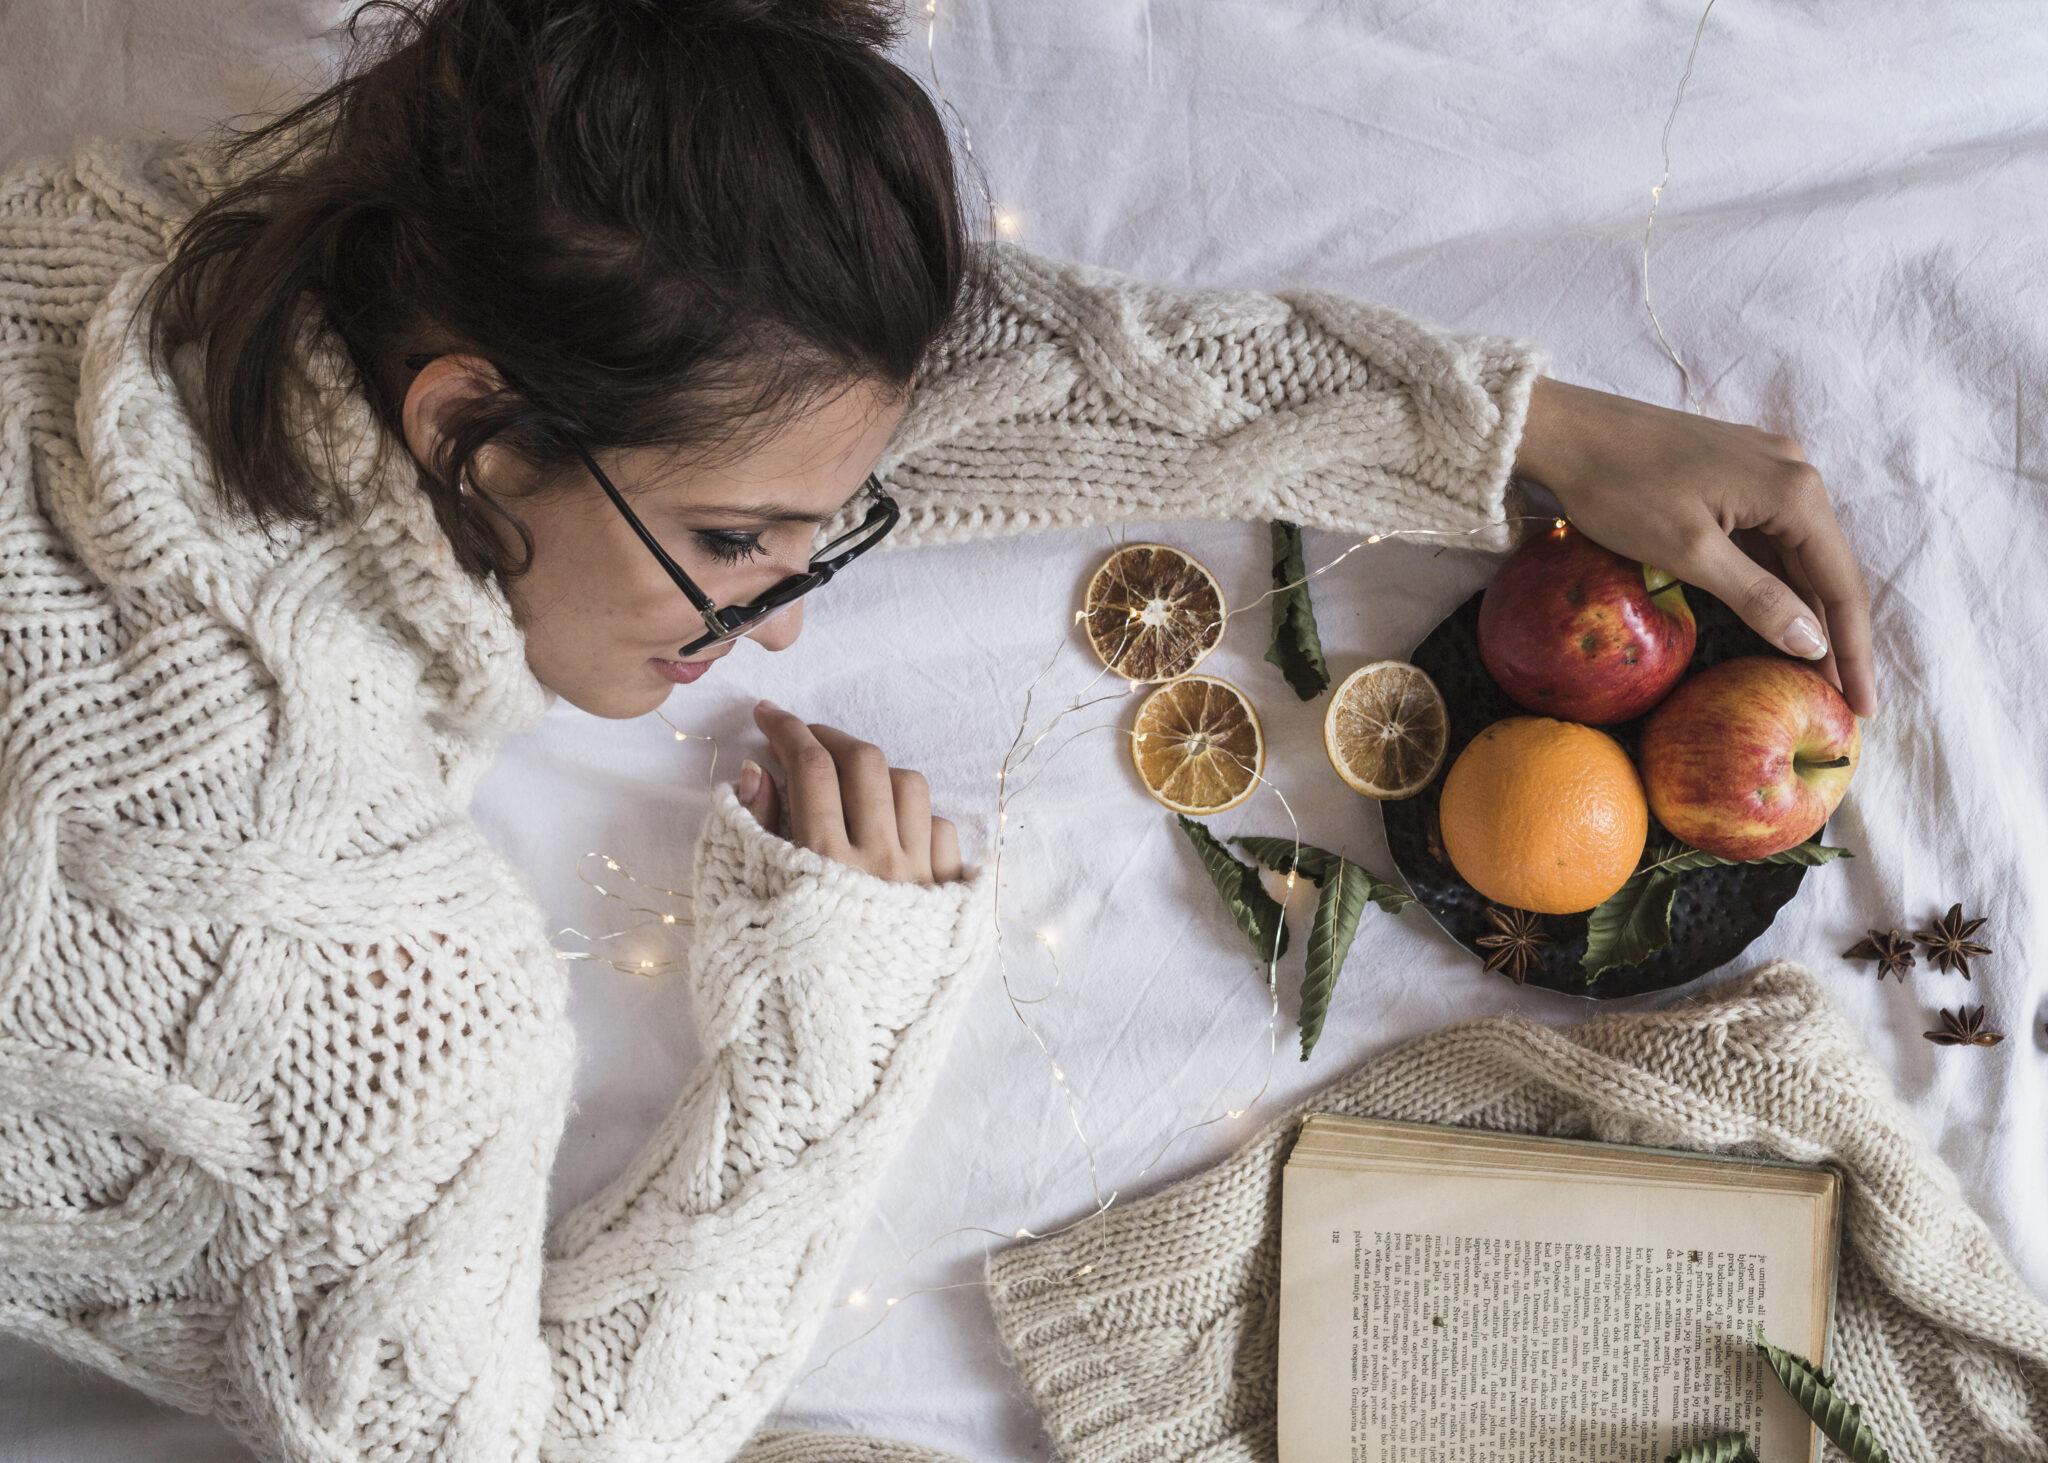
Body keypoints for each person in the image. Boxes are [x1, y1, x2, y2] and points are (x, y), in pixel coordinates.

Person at [0, 0, 1875, 1459]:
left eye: (815, 530)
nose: (785, 620)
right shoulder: (364, 986)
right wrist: (836, 1009)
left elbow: (817, 375)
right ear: (466, 428)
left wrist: (1527, 427)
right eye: (734, 549)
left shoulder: (151, 240)